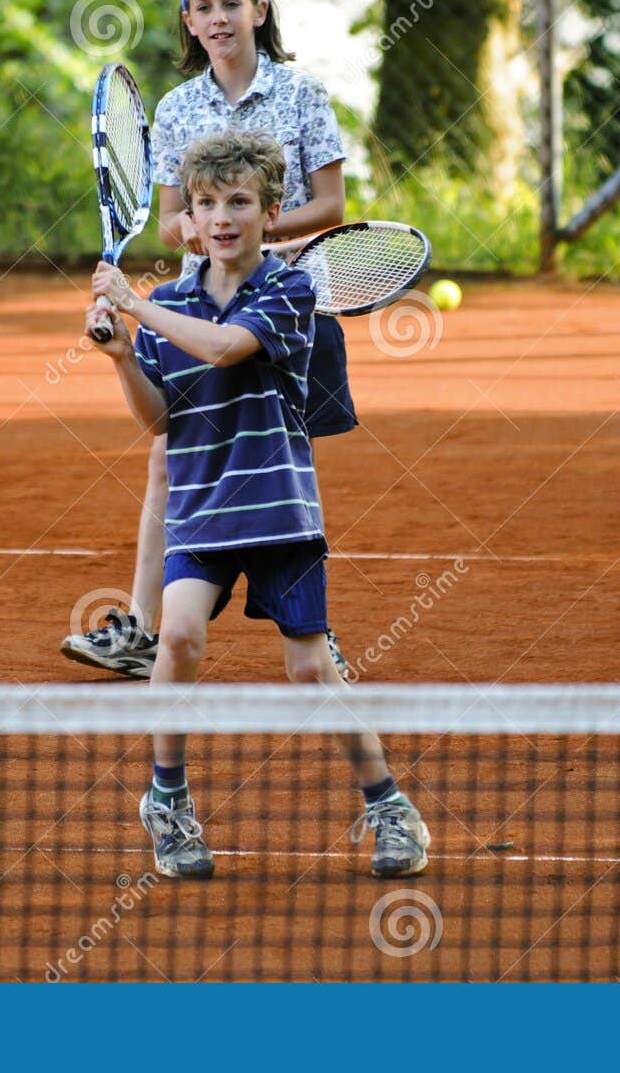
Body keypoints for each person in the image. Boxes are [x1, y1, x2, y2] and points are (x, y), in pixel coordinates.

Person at [85, 131, 430, 879]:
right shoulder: (171, 301)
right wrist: (121, 357)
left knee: (310, 672)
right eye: (206, 204)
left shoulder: (288, 291)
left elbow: (221, 349)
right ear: (188, 221)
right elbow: (157, 420)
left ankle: (388, 806)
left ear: (271, 212)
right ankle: (168, 802)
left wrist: (133, 308)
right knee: (175, 638)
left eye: (240, 201)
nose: (222, 217)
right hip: (202, 510)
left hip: (279, 511)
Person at [61, 0, 356, 682]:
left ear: (259, 11)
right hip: (200, 310)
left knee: (284, 459)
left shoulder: (302, 95)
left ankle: (316, 634)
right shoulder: (176, 109)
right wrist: (195, 232)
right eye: (203, 9)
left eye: (231, 3)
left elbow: (332, 205)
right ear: (189, 25)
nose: (218, 18)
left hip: (284, 302)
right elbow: (166, 219)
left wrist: (253, 234)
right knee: (168, 453)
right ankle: (140, 628)